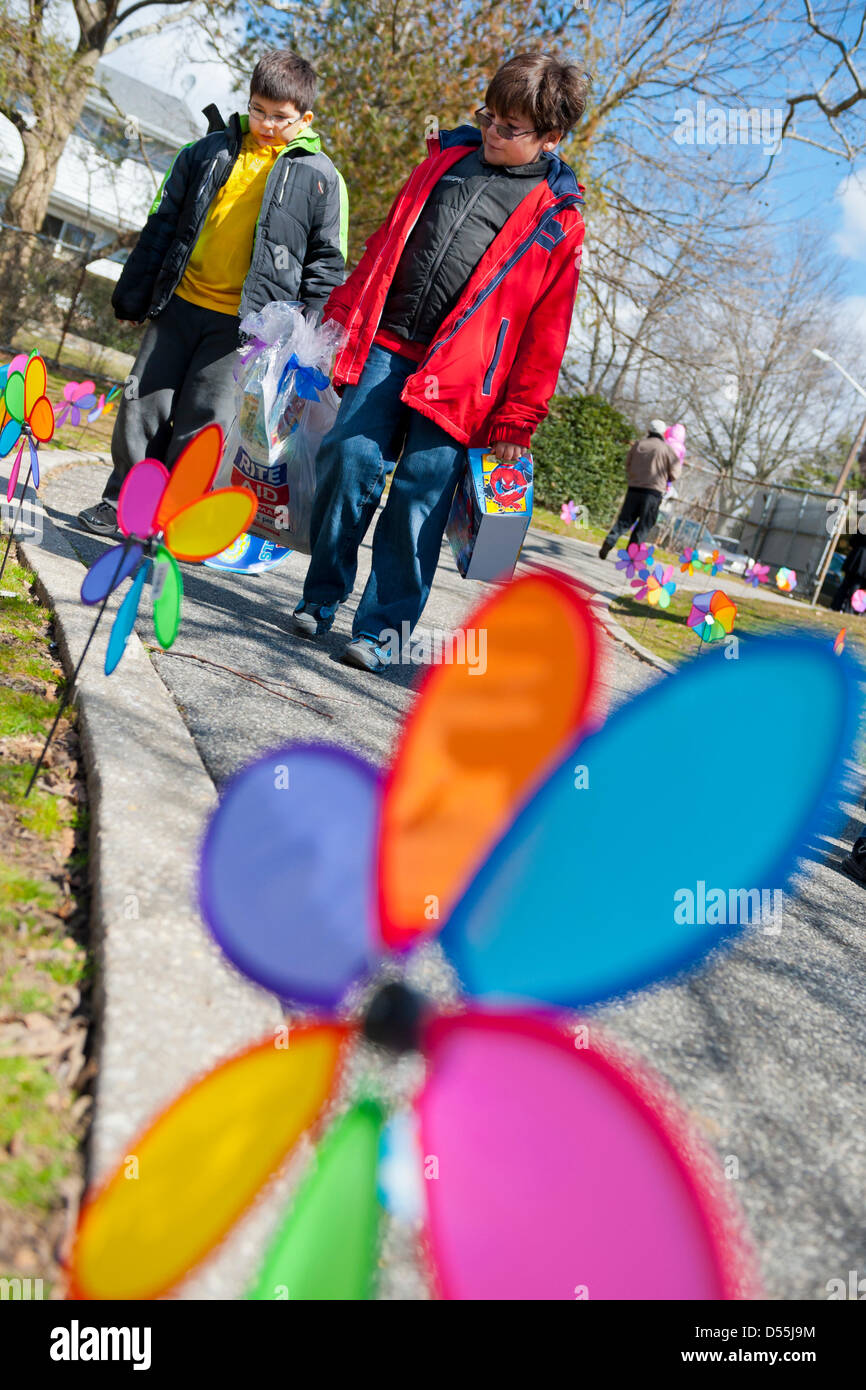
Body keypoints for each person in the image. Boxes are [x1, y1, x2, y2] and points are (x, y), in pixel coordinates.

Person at [292, 52, 590, 672]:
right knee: (347, 457)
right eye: (489, 116)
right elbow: (385, 246)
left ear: (551, 139)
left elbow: (546, 333)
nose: (492, 132)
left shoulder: (559, 221)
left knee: (418, 499)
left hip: (465, 381)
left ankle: (380, 632)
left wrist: (518, 420)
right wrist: (341, 320)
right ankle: (320, 596)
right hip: (388, 344)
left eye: (511, 128)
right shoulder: (444, 162)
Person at [77, 50, 347, 538]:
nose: (266, 123)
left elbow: (325, 266)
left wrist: (304, 344)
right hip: (179, 304)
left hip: (245, 327)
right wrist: (134, 295)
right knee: (144, 407)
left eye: (280, 117)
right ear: (248, 101)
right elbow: (161, 224)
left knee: (207, 422)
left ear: (304, 118)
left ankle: (173, 522)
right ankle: (123, 504)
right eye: (259, 109)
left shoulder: (322, 178)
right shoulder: (207, 152)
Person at [598, 419, 682, 559]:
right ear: (663, 433)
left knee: (624, 520)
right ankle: (631, 555)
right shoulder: (667, 450)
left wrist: (634, 476)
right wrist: (667, 479)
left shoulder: (639, 444)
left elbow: (628, 464)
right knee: (644, 525)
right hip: (653, 493)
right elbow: (675, 472)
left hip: (634, 489)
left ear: (649, 431)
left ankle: (610, 539)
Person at [831, 530, 866, 612]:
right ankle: (848, 610)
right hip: (863, 565)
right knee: (855, 588)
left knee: (845, 585)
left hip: (854, 559)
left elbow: (852, 541)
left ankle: (835, 606)